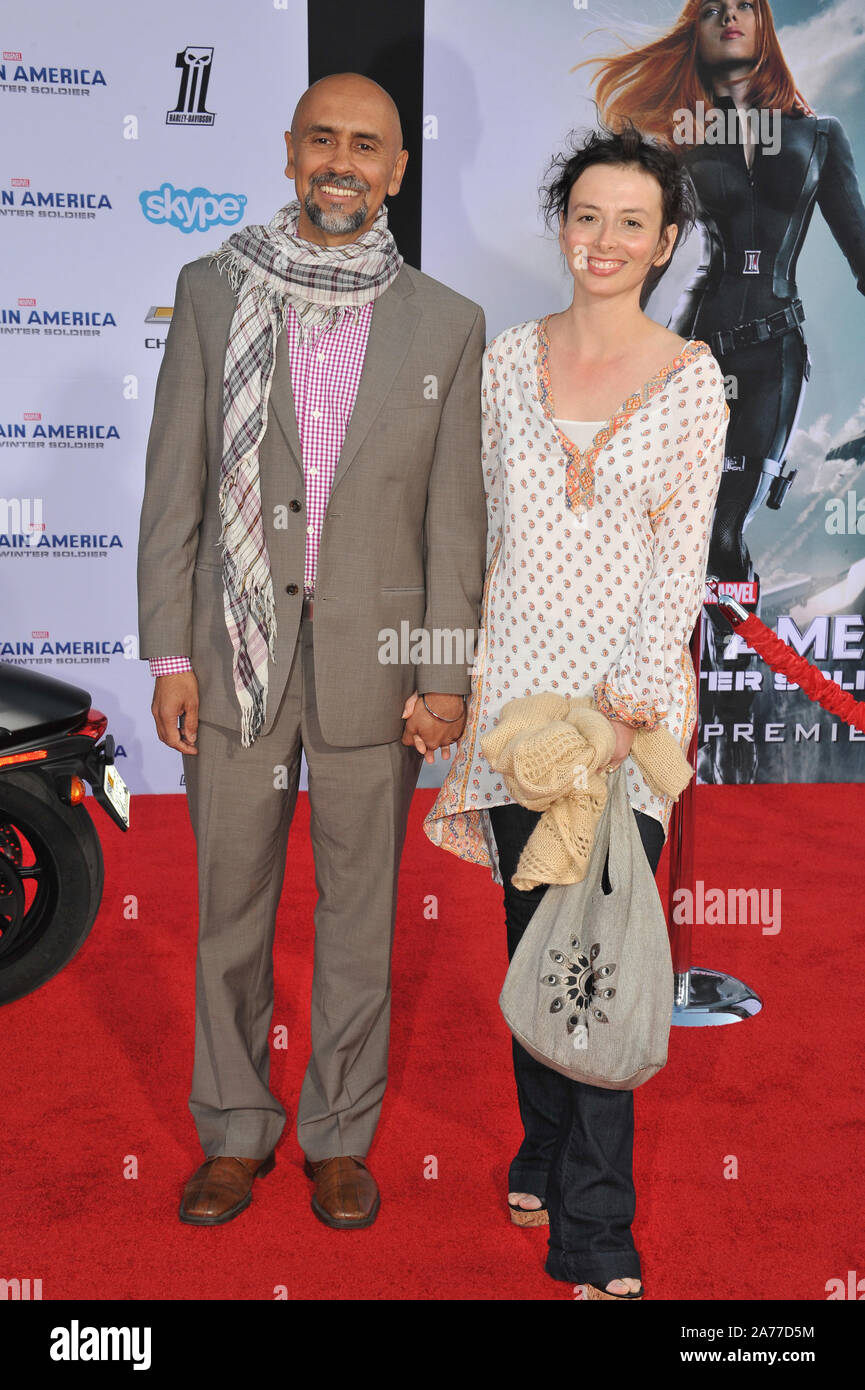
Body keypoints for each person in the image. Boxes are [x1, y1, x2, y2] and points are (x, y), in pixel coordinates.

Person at [137, 72, 486, 1229]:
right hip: (231, 656)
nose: (342, 160)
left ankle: (340, 1132)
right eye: (322, 139)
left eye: (367, 146)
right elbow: (173, 485)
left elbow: (452, 519)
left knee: (360, 915)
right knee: (228, 910)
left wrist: (442, 674)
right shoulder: (207, 291)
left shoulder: (447, 323)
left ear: (396, 169)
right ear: (291, 153)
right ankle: (234, 1129)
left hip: (377, 674)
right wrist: (167, 658)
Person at [423, 124, 728, 1298]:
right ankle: (543, 1147)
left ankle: (596, 1229)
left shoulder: (691, 377)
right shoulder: (507, 362)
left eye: (630, 223)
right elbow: (475, 535)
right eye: (586, 216)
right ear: (565, 225)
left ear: (662, 245)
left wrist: (626, 710)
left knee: (599, 955)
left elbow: (677, 563)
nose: (603, 240)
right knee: (532, 943)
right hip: (516, 720)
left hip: (621, 723)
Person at [586, 0, 865, 784]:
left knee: (717, 531)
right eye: (713, 7)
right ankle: (676, 727)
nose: (731, 15)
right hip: (686, 357)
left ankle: (726, 739)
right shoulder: (672, 138)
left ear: (764, 27)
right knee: (677, 537)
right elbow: (637, 262)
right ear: (696, 31)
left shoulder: (820, 138)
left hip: (774, 357)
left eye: (746, 4)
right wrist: (597, 362)